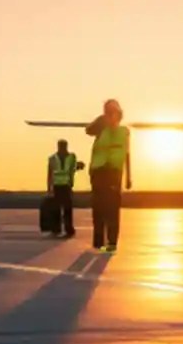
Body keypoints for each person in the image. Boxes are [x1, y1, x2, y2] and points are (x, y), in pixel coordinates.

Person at [85, 99, 132, 252]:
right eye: (107, 112)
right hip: (98, 172)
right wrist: (101, 120)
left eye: (113, 112)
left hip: (114, 173)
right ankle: (99, 242)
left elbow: (127, 154)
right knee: (98, 208)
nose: (110, 115)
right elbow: (88, 130)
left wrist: (128, 177)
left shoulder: (123, 132)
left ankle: (112, 242)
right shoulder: (100, 129)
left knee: (112, 208)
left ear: (119, 114)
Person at [46, 139, 84, 238]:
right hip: (57, 186)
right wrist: (49, 188)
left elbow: (72, 169)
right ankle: (57, 229)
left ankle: (68, 229)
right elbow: (50, 173)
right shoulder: (52, 158)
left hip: (66, 186)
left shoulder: (72, 157)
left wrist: (78, 166)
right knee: (56, 209)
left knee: (67, 209)